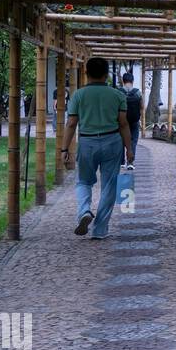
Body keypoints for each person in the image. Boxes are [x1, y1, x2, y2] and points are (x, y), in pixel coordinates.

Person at [60, 57, 133, 239]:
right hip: (112, 141)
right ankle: (100, 230)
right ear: (107, 74)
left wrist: (64, 149)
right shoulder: (118, 95)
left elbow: (71, 123)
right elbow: (123, 124)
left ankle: (84, 211)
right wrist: (129, 149)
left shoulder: (78, 95)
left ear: (86, 73)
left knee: (83, 181)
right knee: (109, 186)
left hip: (87, 142)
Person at [121, 71, 142, 167]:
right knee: (133, 140)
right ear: (132, 81)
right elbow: (142, 107)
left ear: (123, 81)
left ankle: (121, 161)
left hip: (121, 120)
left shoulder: (119, 92)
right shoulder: (137, 92)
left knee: (121, 140)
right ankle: (130, 162)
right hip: (134, 120)